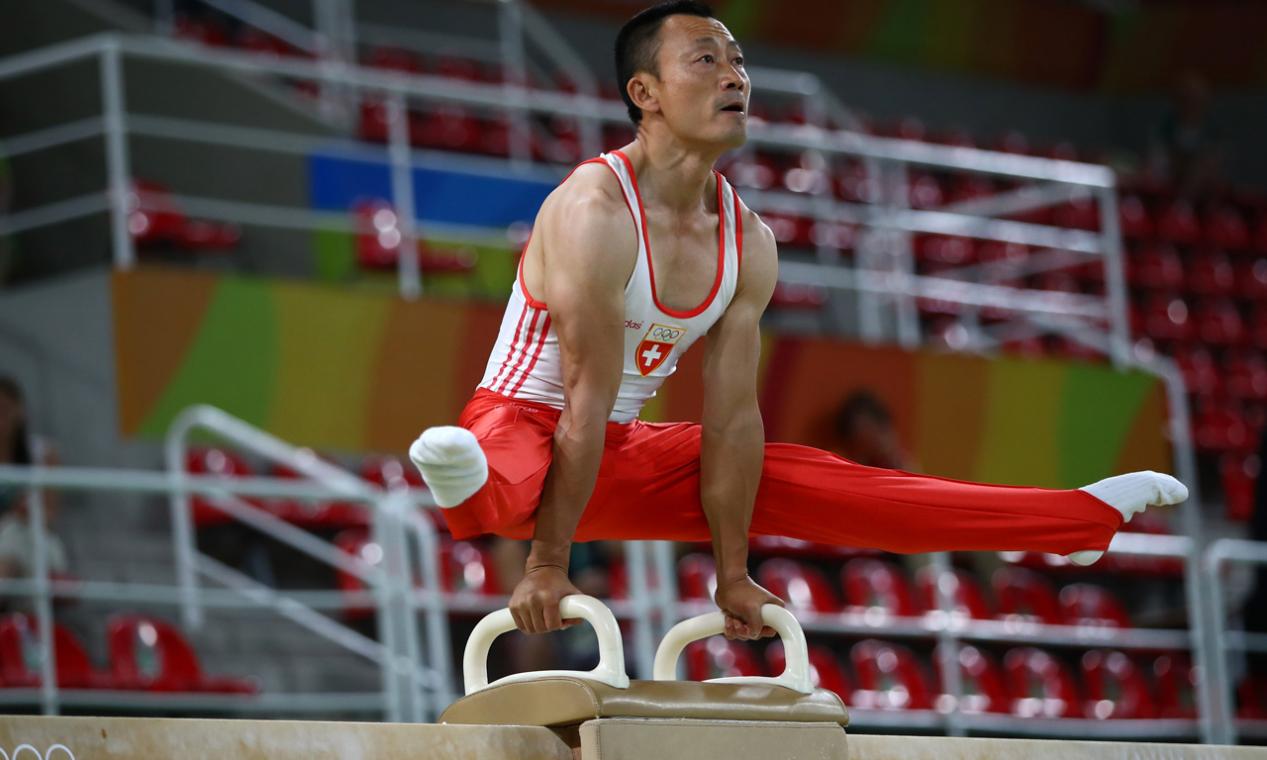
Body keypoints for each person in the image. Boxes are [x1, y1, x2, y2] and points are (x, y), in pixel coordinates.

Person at [409, 1, 1189, 643]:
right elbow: (577, 396)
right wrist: (546, 564)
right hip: (526, 420)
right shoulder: (594, 209)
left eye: (737, 60)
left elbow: (731, 418)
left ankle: (1071, 521)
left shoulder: (748, 240)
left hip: (616, 448)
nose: (735, 77)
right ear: (644, 93)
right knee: (507, 467)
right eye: (705, 60)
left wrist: (732, 572)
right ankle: (463, 476)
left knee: (828, 484)